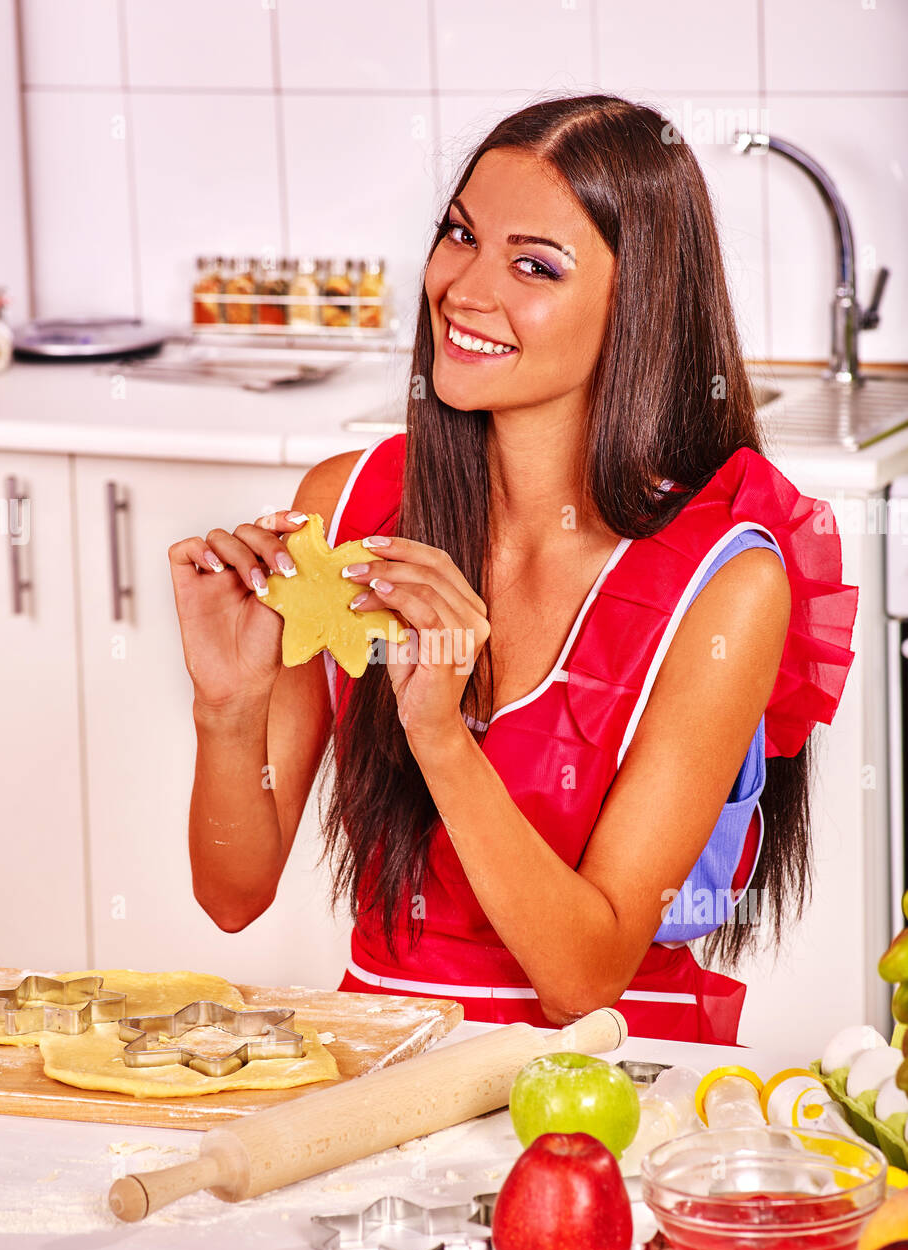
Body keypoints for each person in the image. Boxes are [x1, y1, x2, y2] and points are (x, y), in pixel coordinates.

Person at [168, 95, 857, 1045]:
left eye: (533, 264)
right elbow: (232, 894)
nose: (465, 288)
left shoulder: (723, 580)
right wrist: (228, 706)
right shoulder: (346, 503)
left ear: (639, 303)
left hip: (614, 1077)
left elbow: (582, 982)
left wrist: (439, 733)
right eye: (460, 236)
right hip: (385, 1060)